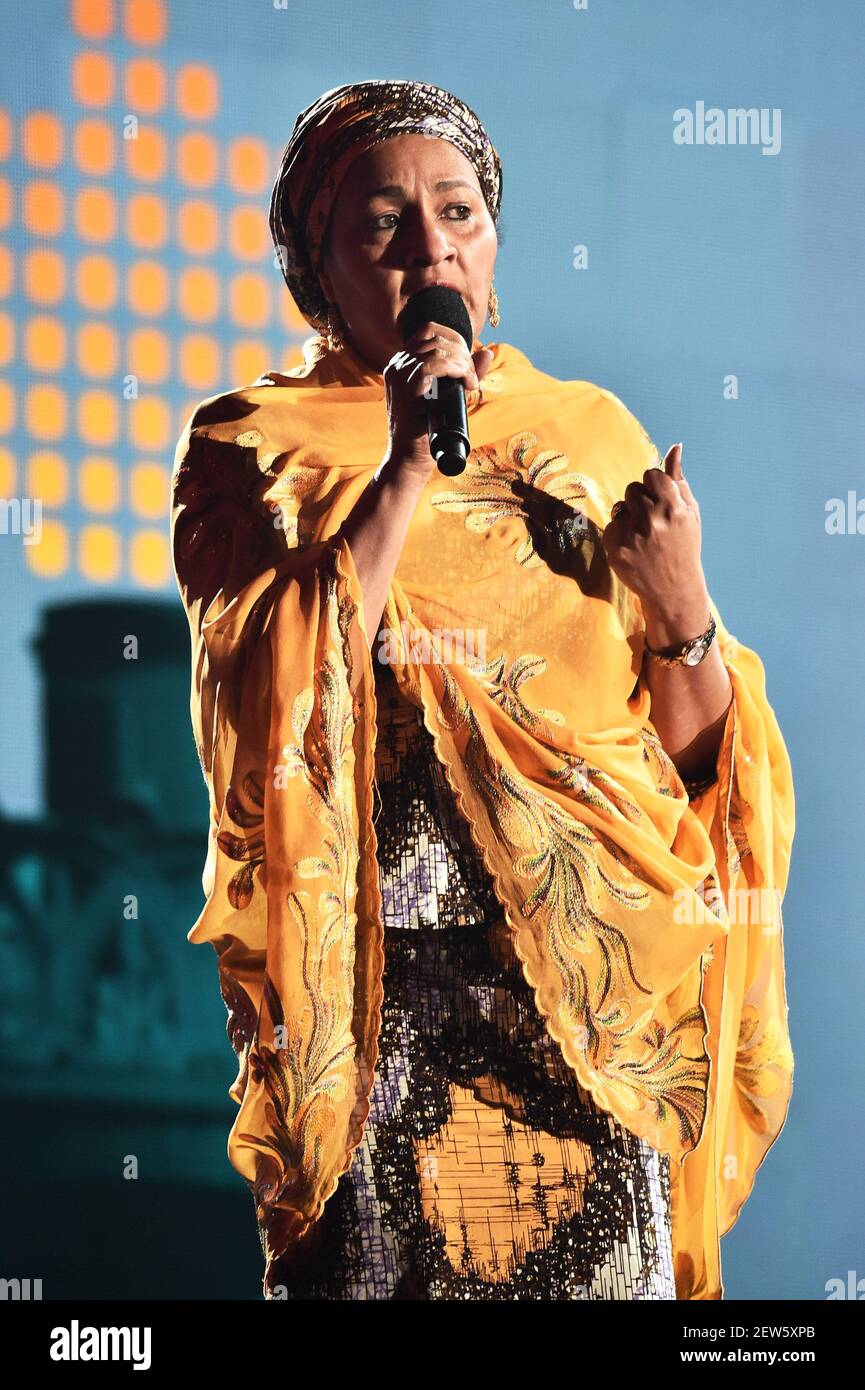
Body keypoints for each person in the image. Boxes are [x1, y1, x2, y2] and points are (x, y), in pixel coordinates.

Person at [170, 79, 795, 1301]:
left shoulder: (589, 433)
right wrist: (406, 466)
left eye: (457, 212)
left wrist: (681, 607)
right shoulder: (254, 447)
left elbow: (685, 770)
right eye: (383, 222)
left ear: (493, 243)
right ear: (317, 265)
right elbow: (266, 698)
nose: (431, 246)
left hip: (594, 1036)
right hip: (387, 1014)